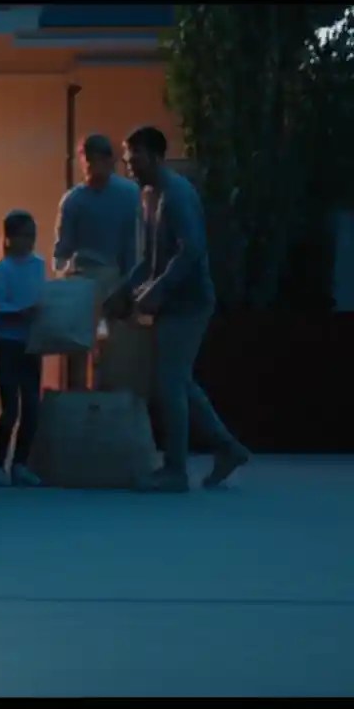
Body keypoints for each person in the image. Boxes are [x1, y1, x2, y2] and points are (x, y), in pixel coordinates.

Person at [105, 126, 251, 492]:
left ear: (156, 156)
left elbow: (192, 250)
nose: (129, 164)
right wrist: (123, 289)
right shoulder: (148, 195)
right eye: (127, 157)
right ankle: (228, 448)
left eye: (135, 157)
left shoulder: (177, 194)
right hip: (171, 302)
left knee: (169, 383)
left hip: (189, 303)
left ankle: (175, 470)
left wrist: (159, 288)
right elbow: (149, 259)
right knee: (180, 382)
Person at [53, 134, 143, 389]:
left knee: (112, 353)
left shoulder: (128, 194)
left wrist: (131, 287)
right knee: (77, 352)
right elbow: (62, 250)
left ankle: (107, 400)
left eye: (98, 159)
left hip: (115, 279)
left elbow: (134, 244)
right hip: (81, 279)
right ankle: (79, 402)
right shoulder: (74, 200)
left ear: (109, 160)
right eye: (88, 160)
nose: (93, 166)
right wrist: (64, 283)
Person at [0, 210, 46, 488]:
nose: (29, 241)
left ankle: (20, 463)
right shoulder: (2, 270)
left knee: (32, 405)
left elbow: (43, 296)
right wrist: (24, 312)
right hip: (8, 342)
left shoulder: (38, 265)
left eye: (32, 235)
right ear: (10, 238)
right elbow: (3, 307)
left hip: (32, 342)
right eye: (24, 235)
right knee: (10, 406)